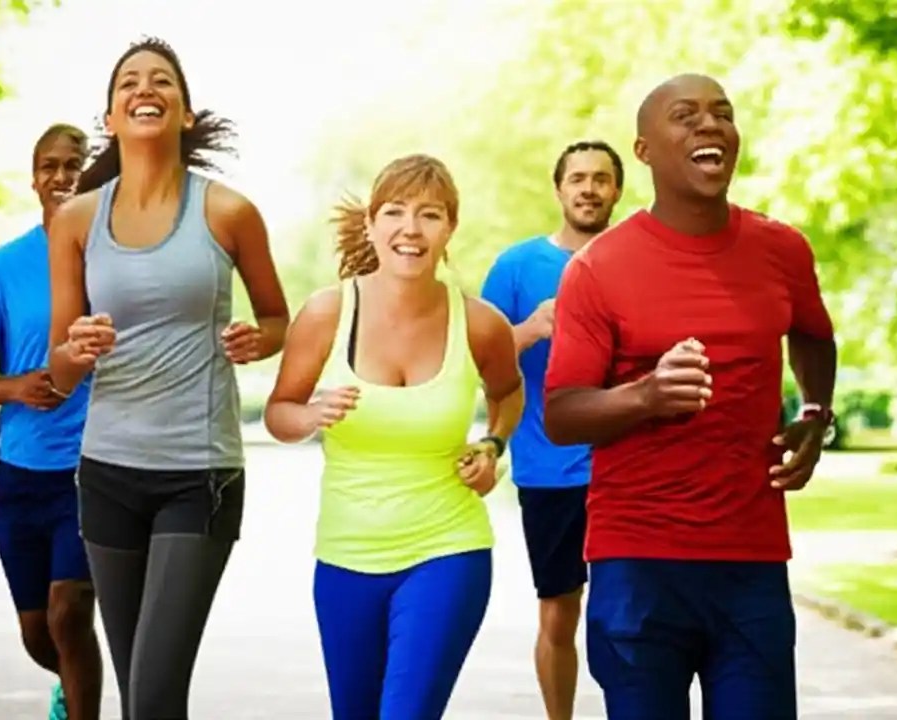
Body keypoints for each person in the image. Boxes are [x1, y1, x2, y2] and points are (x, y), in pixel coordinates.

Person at [543, 73, 838, 719]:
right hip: (638, 564)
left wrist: (816, 413)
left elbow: (814, 335)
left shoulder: (781, 248)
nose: (710, 126)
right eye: (686, 116)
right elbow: (562, 414)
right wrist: (646, 396)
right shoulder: (599, 268)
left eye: (722, 114)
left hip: (752, 560)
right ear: (644, 150)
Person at [45, 37, 291, 720]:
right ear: (111, 116)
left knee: (152, 696)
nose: (144, 88)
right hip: (107, 473)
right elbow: (60, 371)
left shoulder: (228, 212)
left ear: (185, 112)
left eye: (161, 80)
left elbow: (277, 318)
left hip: (198, 474)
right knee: (142, 698)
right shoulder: (76, 220)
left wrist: (256, 339)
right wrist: (79, 347)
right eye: (129, 82)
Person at [264, 154, 525, 720]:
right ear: (371, 224)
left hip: (447, 548)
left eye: (429, 215)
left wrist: (493, 447)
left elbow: (509, 393)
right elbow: (279, 411)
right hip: (346, 554)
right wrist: (310, 417)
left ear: (449, 228)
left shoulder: (479, 323)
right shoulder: (327, 314)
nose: (411, 229)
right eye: (395, 212)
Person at [0, 124, 103, 720]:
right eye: (50, 166)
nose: (61, 177)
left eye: (74, 165)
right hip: (20, 473)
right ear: (34, 175)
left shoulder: (115, 261)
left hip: (90, 470)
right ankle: (73, 682)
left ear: (92, 174)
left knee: (70, 611)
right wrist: (14, 386)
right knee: (40, 633)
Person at [479, 139, 623, 720]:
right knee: (559, 612)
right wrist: (529, 329)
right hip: (550, 471)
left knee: (626, 616)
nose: (589, 189)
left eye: (601, 179)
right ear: (559, 188)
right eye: (578, 178)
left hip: (626, 471)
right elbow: (478, 359)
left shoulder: (636, 260)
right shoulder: (517, 267)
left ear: (617, 190)